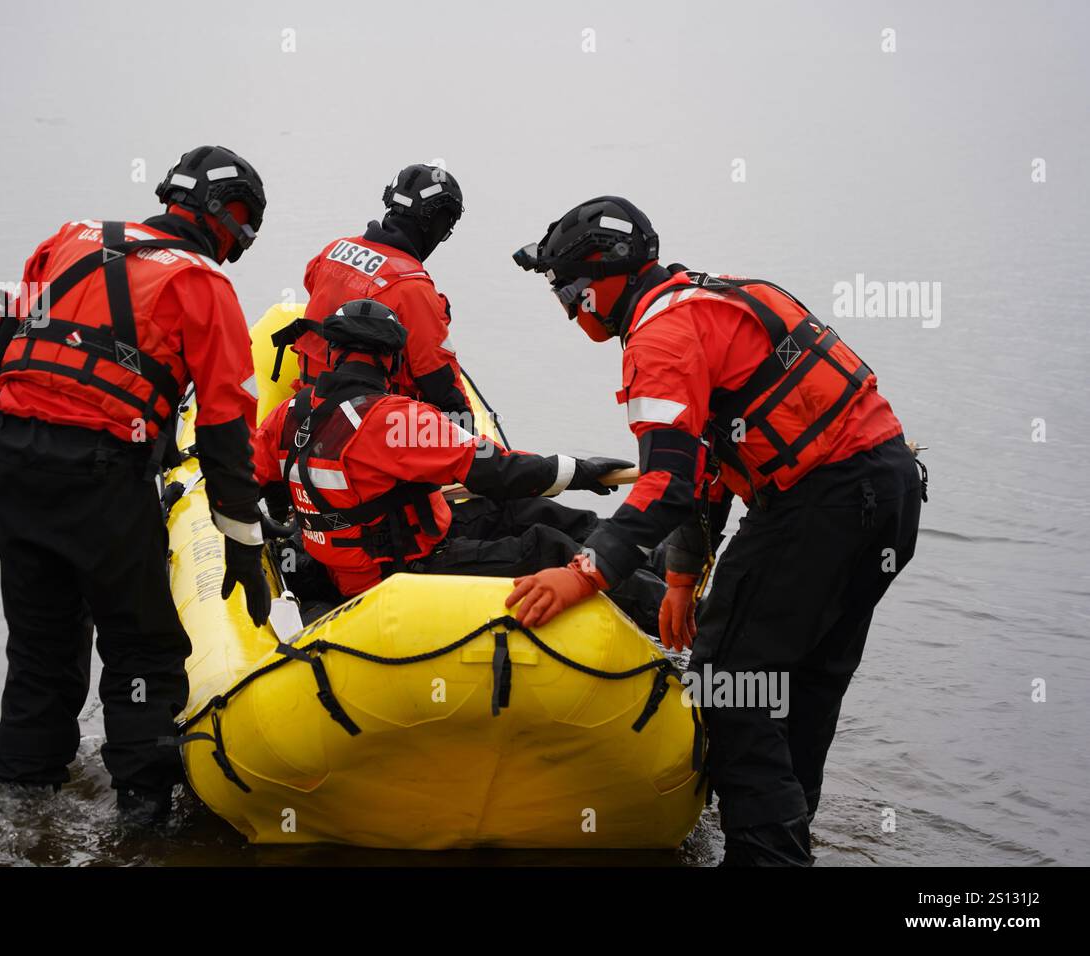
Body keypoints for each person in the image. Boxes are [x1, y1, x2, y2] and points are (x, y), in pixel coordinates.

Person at [506, 196, 925, 865]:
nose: (567, 309)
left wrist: (583, 573)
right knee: (804, 685)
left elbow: (668, 481)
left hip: (820, 502)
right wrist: (679, 576)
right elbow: (712, 461)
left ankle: (766, 856)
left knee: (728, 683)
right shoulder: (718, 297)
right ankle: (792, 838)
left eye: (568, 291)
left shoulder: (657, 340)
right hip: (890, 493)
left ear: (603, 281)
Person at [0, 145, 272, 823]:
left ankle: (18, 798)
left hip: (13, 460)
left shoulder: (69, 238)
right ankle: (145, 812)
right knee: (142, 645)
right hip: (100, 473)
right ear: (231, 220)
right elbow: (225, 428)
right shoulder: (205, 285)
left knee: (41, 645)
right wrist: (244, 545)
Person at [252, 299, 666, 627]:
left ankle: (655, 568)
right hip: (403, 570)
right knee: (548, 544)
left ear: (334, 352)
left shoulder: (287, 414)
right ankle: (673, 617)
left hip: (352, 559)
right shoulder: (395, 419)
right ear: (391, 360)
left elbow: (256, 480)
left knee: (523, 509)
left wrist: (280, 524)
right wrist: (581, 471)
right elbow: (495, 469)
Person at [270, 163, 474, 420]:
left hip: (309, 405)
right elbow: (440, 385)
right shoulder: (413, 288)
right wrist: (471, 435)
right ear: (434, 222)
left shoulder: (334, 250)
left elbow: (312, 282)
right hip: (370, 425)